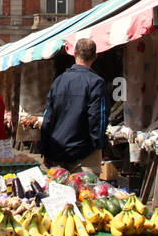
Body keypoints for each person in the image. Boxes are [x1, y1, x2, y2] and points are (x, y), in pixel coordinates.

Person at [40, 38, 109, 172]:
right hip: (84, 154)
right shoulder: (96, 82)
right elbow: (98, 118)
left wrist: (45, 148)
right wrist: (98, 144)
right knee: (85, 191)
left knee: (59, 190)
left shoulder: (59, 81)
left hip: (57, 149)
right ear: (95, 56)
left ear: (74, 53)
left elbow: (48, 117)